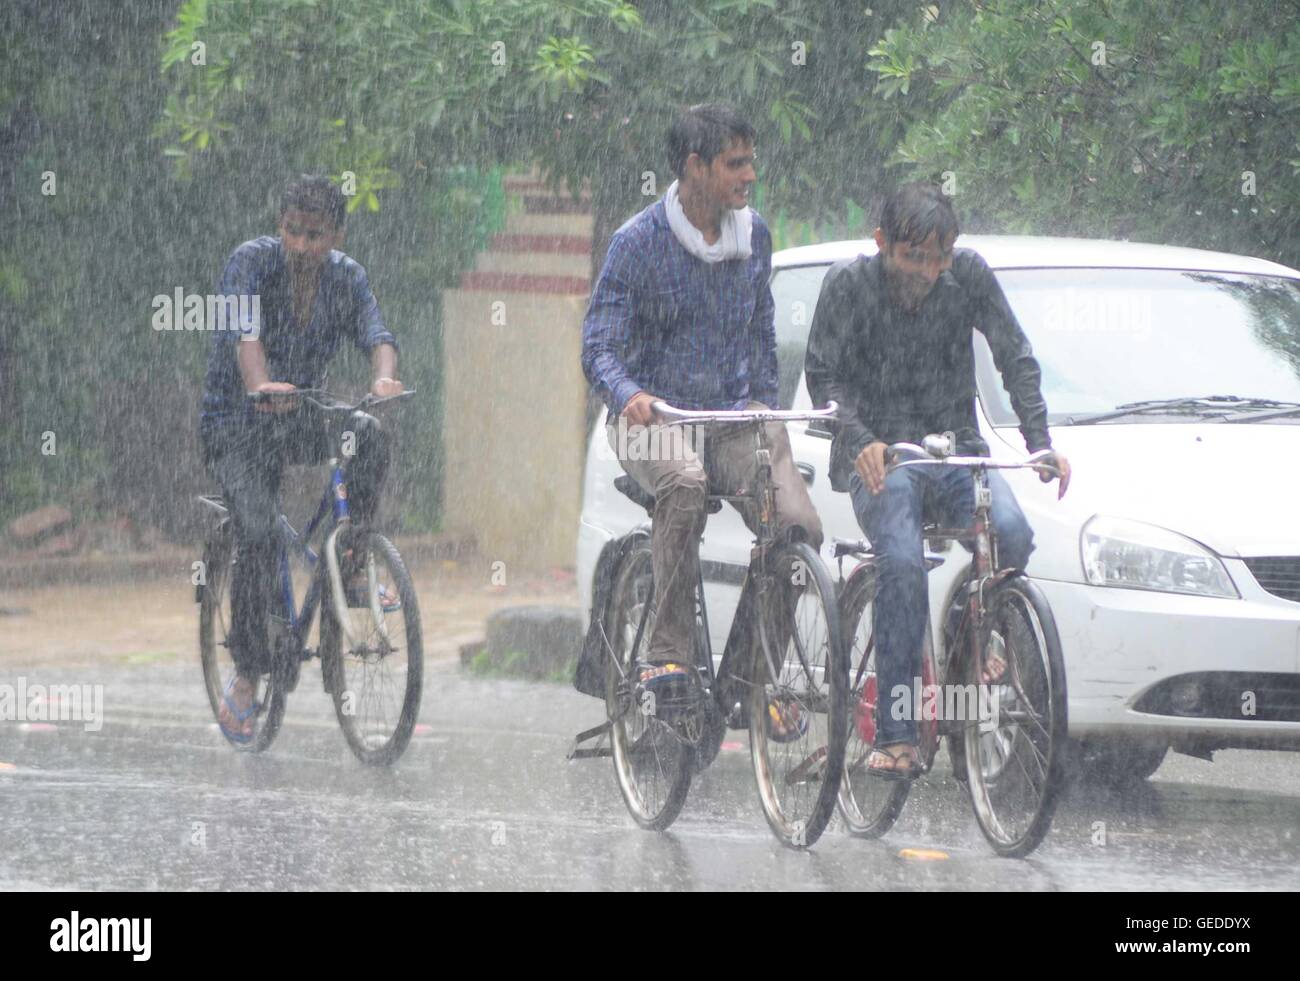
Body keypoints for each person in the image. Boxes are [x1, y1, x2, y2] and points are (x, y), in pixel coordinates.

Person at [804, 182, 1071, 778]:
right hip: (880, 457)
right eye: (913, 257)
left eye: (938, 258)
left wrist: (1040, 441)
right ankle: (895, 734)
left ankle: (964, 645)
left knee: (1011, 533)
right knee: (901, 561)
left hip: (955, 451)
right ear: (882, 244)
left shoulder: (968, 276)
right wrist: (858, 439)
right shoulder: (848, 286)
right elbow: (824, 378)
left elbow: (1014, 354)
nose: (927, 272)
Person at [581, 103, 823, 737]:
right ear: (694, 167)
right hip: (652, 420)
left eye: (751, 161)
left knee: (796, 527)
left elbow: (762, 332)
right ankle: (668, 659)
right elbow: (597, 345)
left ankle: (750, 678)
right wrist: (627, 391)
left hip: (731, 421)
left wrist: (764, 400)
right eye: (734, 163)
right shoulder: (638, 243)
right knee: (684, 482)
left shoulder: (756, 236)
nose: (749, 176)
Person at [199, 175, 404, 743]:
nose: (302, 245)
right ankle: (246, 672)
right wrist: (262, 385)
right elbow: (246, 335)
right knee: (260, 533)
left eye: (315, 235)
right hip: (237, 423)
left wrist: (383, 379)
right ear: (279, 227)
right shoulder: (251, 264)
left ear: (336, 234)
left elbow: (377, 334)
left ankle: (355, 559)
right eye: (292, 231)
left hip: (300, 414)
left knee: (365, 432)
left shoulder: (348, 276)